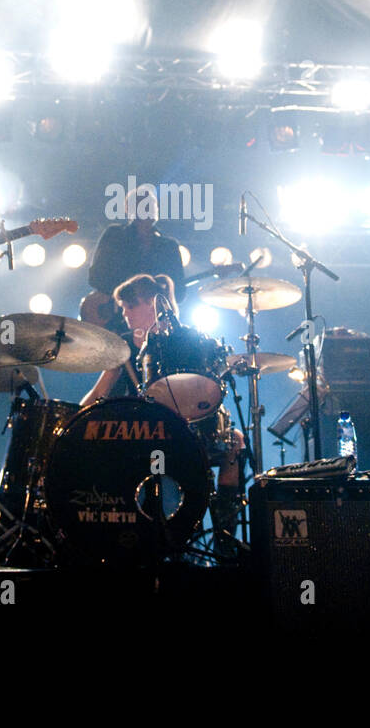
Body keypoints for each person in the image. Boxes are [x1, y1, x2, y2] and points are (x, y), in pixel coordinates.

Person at [81, 274, 246, 559]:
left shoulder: (185, 340)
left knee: (236, 442)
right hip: (138, 436)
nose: (124, 314)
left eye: (128, 307)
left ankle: (225, 542)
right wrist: (75, 419)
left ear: (149, 304)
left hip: (184, 428)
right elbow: (97, 395)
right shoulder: (121, 347)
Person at [84, 186, 185, 329]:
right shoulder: (114, 235)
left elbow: (179, 293)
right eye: (141, 204)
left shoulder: (169, 246)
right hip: (113, 322)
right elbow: (95, 277)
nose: (147, 208)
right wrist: (127, 296)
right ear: (128, 209)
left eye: (151, 204)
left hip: (153, 326)